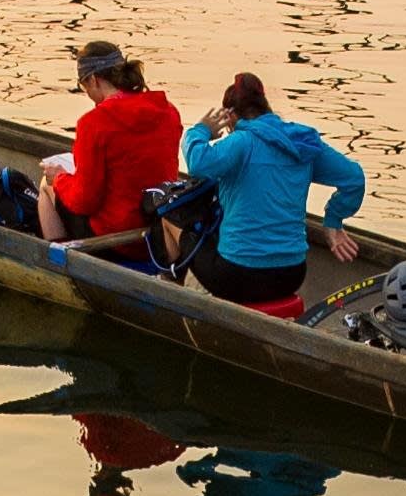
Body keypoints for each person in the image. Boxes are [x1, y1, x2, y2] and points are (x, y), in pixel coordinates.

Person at [177, 71, 366, 312]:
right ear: (266, 106)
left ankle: (171, 299)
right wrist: (333, 220)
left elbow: (198, 163)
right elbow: (354, 178)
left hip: (237, 276)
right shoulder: (303, 143)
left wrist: (200, 131)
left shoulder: (241, 142)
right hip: (291, 275)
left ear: (231, 116)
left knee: (178, 226)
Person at [36, 42, 183, 246]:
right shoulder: (168, 111)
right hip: (160, 229)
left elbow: (84, 201)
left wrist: (59, 179)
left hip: (115, 236)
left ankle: (58, 259)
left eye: (83, 85)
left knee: (46, 184)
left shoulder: (94, 123)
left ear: (94, 80)